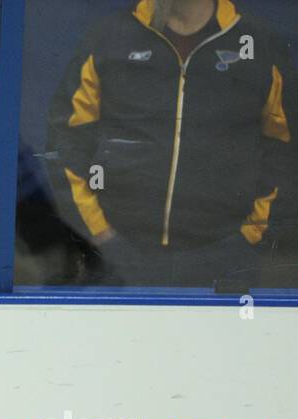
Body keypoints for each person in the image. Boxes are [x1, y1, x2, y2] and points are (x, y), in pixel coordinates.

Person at [48, 0, 296, 288]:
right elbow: (66, 140)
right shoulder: (110, 37)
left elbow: (286, 150)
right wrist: (101, 235)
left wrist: (247, 237)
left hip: (225, 260)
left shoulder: (259, 44)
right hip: (119, 257)